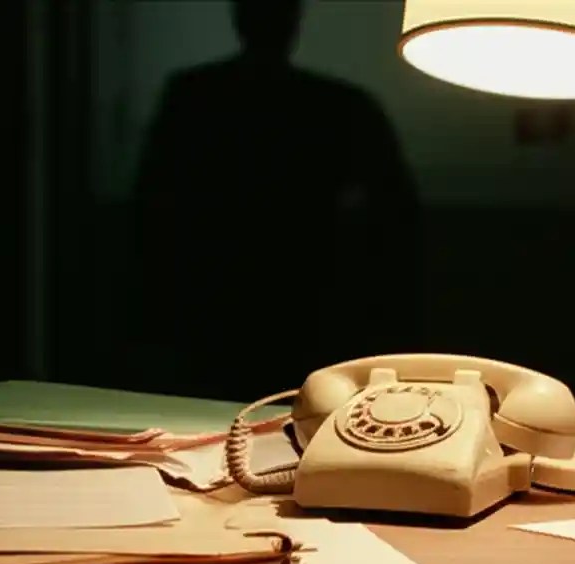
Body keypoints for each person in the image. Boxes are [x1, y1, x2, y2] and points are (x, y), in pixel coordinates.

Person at [131, 0, 420, 401]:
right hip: (300, 306)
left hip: (219, 306)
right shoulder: (339, 106)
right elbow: (397, 213)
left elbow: (152, 211)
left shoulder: (194, 96)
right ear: (294, 21)